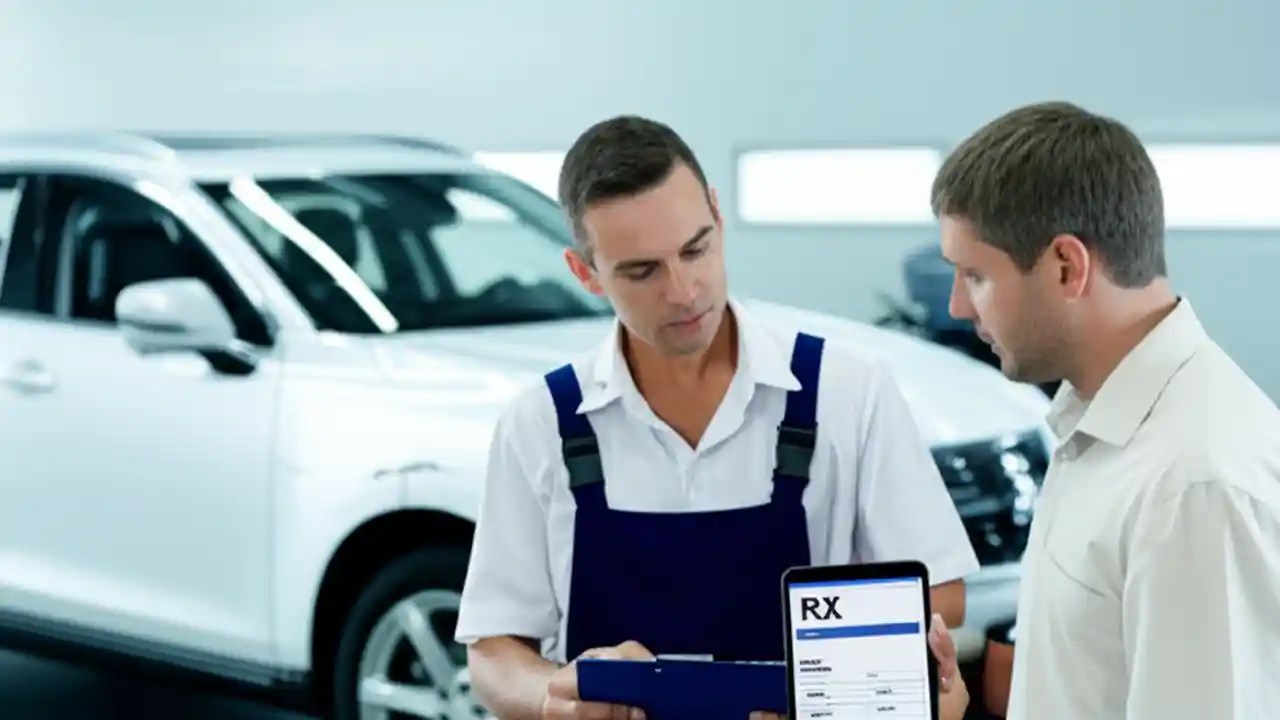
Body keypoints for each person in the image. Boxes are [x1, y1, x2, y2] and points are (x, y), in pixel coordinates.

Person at [454, 114, 979, 720]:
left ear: (717, 215)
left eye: (695, 249)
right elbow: (494, 650)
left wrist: (831, 687)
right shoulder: (541, 423)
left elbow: (942, 592)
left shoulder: (847, 392)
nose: (683, 290)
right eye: (642, 271)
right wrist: (555, 700)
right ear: (586, 273)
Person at [928, 100, 1280, 719]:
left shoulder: (1194, 483)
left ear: (1067, 266)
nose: (958, 306)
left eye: (975, 275)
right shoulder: (1099, 425)